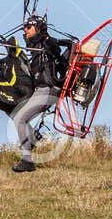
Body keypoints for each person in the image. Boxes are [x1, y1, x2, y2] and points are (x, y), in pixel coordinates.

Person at [7, 14, 70, 173]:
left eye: (28, 27)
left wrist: (46, 37)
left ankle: (27, 160)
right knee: (17, 117)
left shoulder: (47, 44)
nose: (25, 30)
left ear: (38, 28)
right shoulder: (35, 46)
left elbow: (55, 49)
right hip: (40, 90)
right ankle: (33, 137)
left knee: (20, 118)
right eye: (24, 28)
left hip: (49, 91)